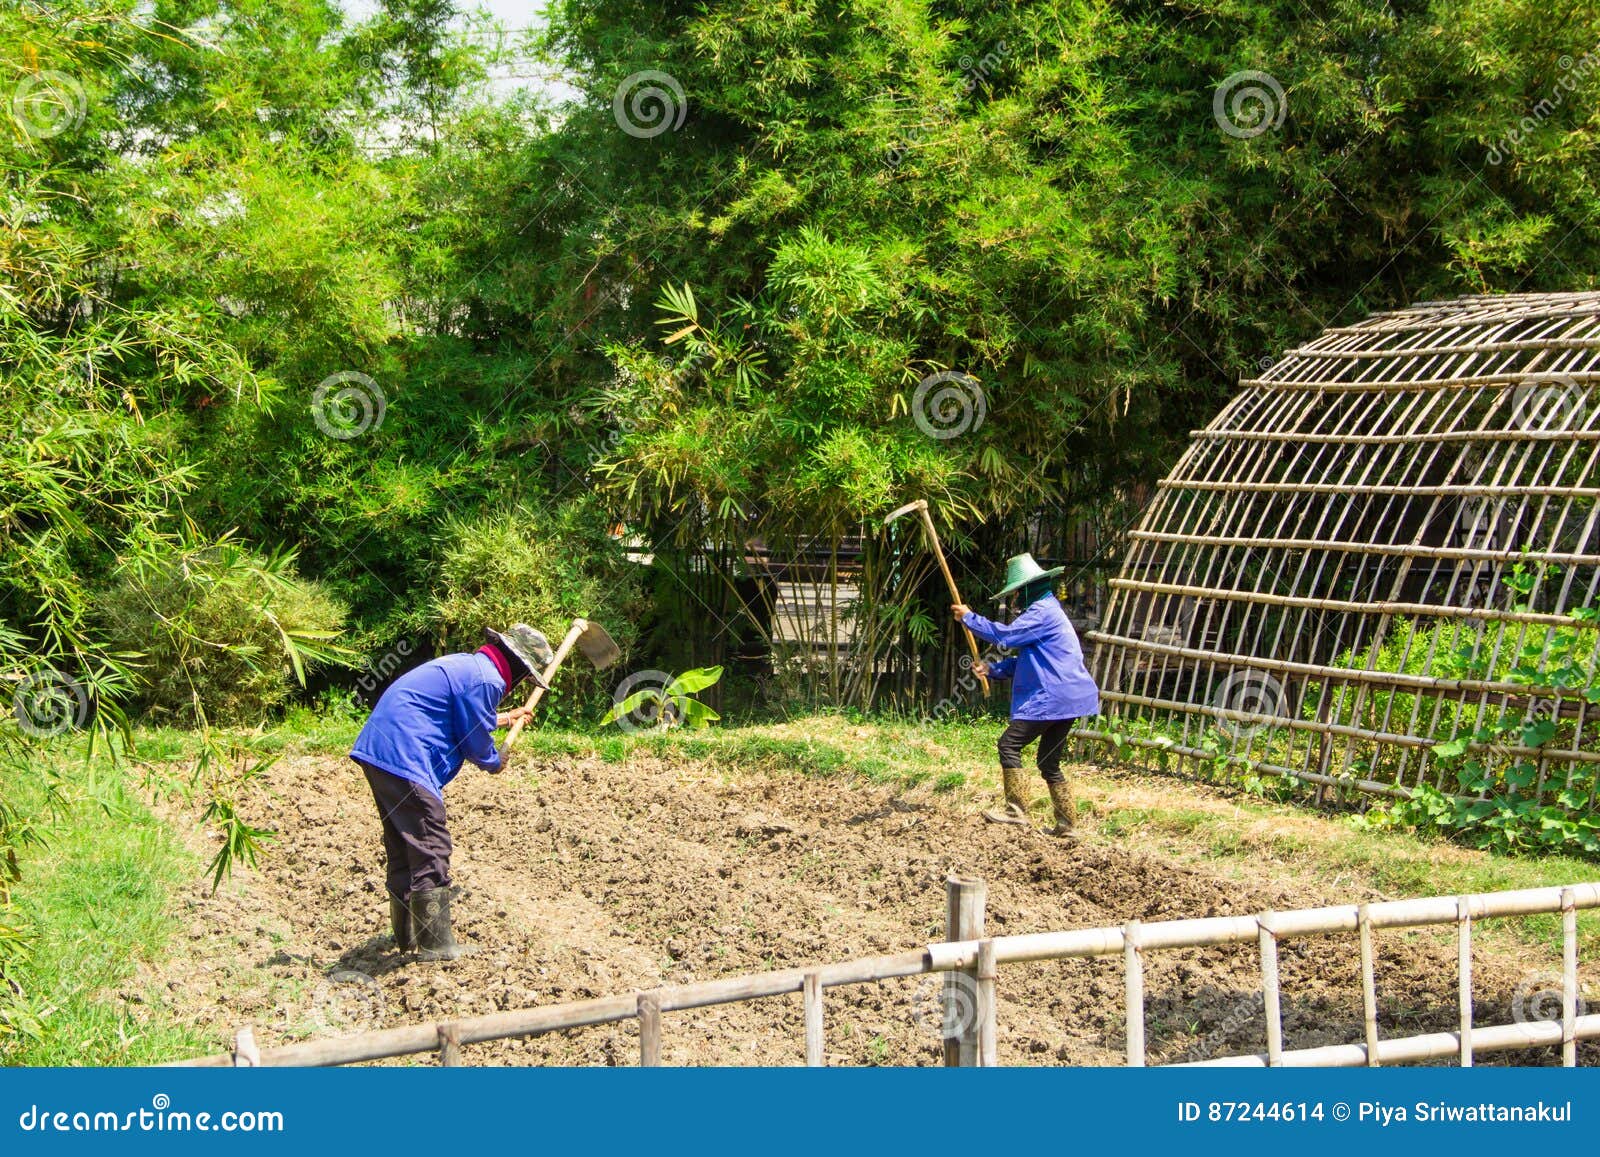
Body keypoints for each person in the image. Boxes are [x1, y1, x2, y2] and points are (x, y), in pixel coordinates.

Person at [350, 624, 554, 960]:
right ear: (518, 668)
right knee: (432, 845)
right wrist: (495, 760)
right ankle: (435, 945)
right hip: (406, 755)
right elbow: (474, 738)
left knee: (405, 845)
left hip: (381, 751)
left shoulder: (470, 667)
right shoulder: (487, 679)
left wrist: (505, 719)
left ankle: (409, 938)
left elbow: (459, 715)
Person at [952, 553, 1100, 837]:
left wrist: (970, 618)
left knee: (1008, 745)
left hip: (1052, 696)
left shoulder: (1042, 612)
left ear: (1030, 588)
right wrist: (993, 669)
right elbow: (1029, 660)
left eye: (1019, 591)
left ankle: (1016, 811)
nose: (1017, 597)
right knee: (1048, 761)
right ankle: (1068, 825)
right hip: (1070, 697)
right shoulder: (1049, 610)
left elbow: (1005, 637)